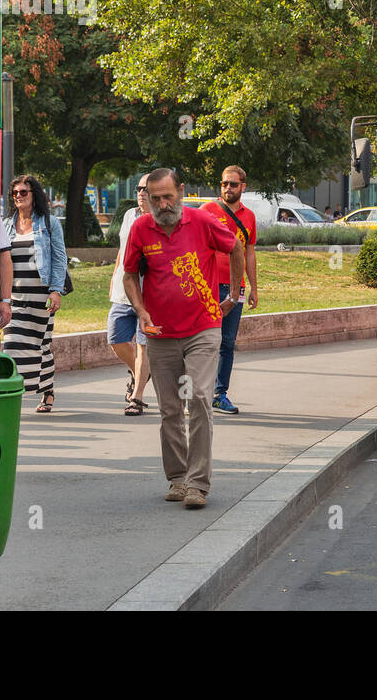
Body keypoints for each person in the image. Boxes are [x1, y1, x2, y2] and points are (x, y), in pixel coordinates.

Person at [123, 168, 241, 509]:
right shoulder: (141, 228)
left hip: (204, 327)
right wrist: (141, 310)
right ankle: (177, 477)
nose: (161, 204)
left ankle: (198, 484)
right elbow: (131, 274)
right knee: (170, 409)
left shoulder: (201, 222)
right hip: (160, 332)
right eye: (156, 198)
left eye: (167, 197)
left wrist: (233, 295)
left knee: (201, 397)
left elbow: (234, 247)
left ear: (181, 192)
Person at [1, 175, 66, 413]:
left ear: (34, 194)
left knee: (42, 344)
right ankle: (14, 393)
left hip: (42, 294)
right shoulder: (6, 224)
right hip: (14, 295)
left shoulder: (49, 222)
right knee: (11, 343)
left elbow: (60, 258)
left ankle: (47, 390)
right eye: (15, 193)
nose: (18, 196)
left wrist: (56, 291)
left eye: (23, 192)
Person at [201, 166, 258, 416]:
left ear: (243, 187)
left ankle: (219, 394)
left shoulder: (250, 217)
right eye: (224, 184)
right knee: (203, 340)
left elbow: (249, 252)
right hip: (208, 285)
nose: (228, 188)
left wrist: (253, 286)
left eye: (233, 184)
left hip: (237, 287)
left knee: (227, 342)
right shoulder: (207, 211)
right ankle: (197, 392)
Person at [107, 178, 152, 415]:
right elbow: (122, 249)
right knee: (115, 339)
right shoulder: (128, 215)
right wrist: (115, 276)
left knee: (144, 346)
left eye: (147, 189)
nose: (141, 193)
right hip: (122, 290)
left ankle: (137, 396)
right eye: (139, 189)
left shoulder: (160, 220)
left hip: (149, 293)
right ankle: (139, 372)